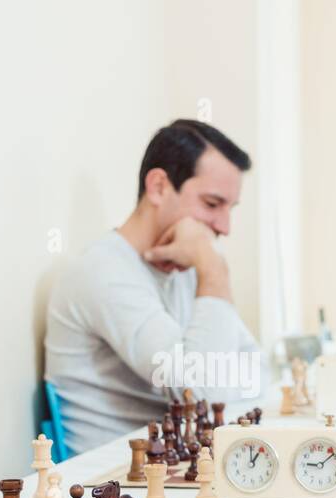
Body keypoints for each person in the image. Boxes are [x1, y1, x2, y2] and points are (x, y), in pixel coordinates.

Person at [45, 120, 265, 454]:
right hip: (113, 489)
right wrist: (213, 267)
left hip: (172, 471)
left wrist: (205, 266)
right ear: (159, 186)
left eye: (229, 209)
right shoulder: (103, 272)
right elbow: (205, 394)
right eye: (211, 204)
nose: (224, 226)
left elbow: (254, 375)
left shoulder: (188, 270)